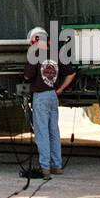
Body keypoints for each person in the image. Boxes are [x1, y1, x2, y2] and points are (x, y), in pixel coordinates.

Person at [23, 26, 76, 179]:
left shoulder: (34, 54)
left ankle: (44, 167)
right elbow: (71, 73)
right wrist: (59, 90)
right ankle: (57, 166)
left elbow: (27, 76)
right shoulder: (56, 54)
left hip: (40, 97)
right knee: (54, 131)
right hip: (53, 95)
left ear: (34, 40)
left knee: (42, 133)